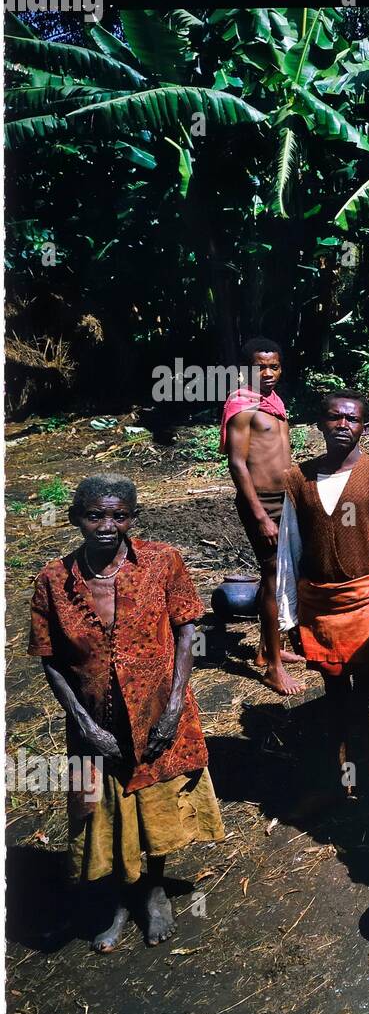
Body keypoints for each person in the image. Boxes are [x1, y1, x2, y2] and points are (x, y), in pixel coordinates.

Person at [29, 475, 224, 952]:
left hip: (158, 711)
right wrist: (86, 725)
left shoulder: (162, 562)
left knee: (156, 805)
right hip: (95, 721)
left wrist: (175, 703)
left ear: (132, 518)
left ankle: (154, 893)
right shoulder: (53, 581)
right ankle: (118, 902)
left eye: (119, 516)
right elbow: (50, 659)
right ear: (76, 518)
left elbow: (185, 633)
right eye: (95, 515)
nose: (107, 526)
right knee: (105, 814)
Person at [277, 390, 369, 811]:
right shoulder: (299, 479)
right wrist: (288, 616)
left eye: (351, 419)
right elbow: (288, 549)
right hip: (319, 604)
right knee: (334, 695)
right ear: (319, 424)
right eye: (334, 418)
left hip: (365, 602)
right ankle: (342, 782)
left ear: (363, 427)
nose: (342, 425)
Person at [222, 336, 304, 696]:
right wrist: (260, 516)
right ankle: (272, 669)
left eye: (274, 366)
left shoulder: (273, 402)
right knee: (272, 575)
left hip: (284, 499)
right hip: (263, 503)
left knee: (283, 572)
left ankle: (266, 649)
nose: (268, 373)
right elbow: (237, 464)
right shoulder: (241, 406)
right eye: (260, 367)